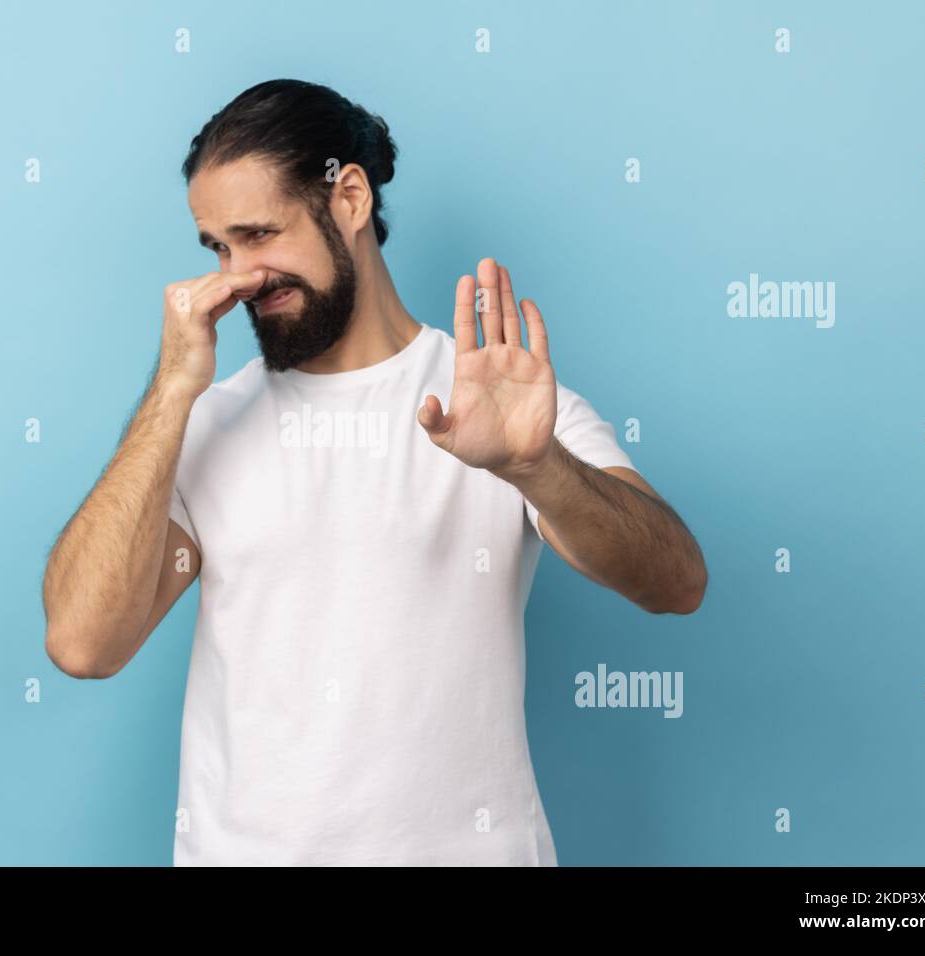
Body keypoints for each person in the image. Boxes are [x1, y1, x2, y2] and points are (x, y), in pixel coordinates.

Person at [42, 79, 707, 866]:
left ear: (349, 198)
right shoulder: (208, 422)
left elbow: (676, 583)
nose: (238, 276)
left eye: (258, 235)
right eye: (218, 248)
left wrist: (537, 468)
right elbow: (85, 644)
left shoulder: (496, 402)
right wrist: (171, 391)